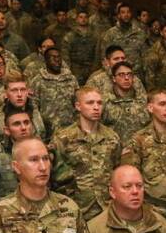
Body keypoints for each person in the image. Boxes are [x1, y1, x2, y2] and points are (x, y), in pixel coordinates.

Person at [121, 88, 166, 220]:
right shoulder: (138, 140)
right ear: (150, 108)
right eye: (162, 104)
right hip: (152, 212)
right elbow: (130, 179)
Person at [49, 86, 122, 220]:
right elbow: (54, 177)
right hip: (75, 209)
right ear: (78, 106)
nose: (96, 107)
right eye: (90, 103)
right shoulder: (63, 138)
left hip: (107, 209)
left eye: (99, 103)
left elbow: (117, 170)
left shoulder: (112, 137)